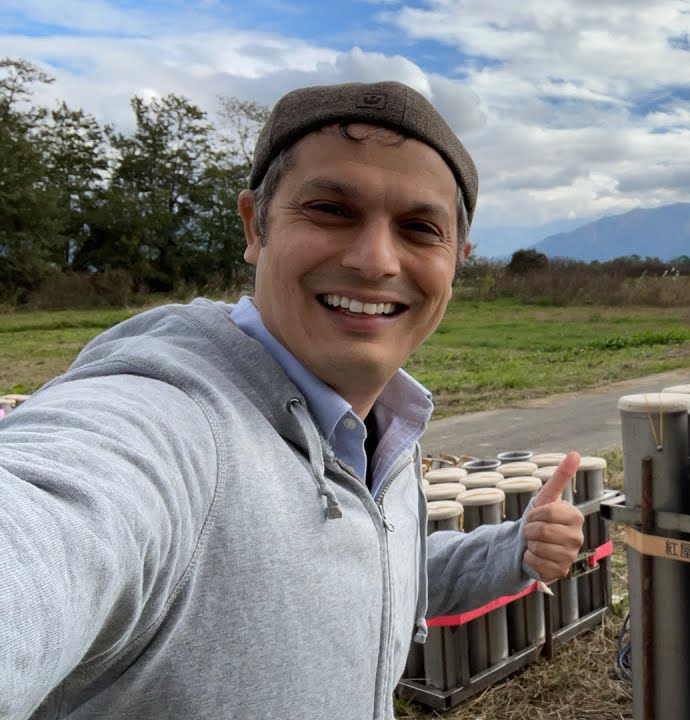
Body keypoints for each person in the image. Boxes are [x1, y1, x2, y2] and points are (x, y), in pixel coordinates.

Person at [0, 81, 586, 719]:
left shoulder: (379, 426)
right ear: (256, 226)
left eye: (420, 228)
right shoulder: (166, 427)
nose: (375, 260)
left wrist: (511, 550)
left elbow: (366, 569)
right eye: (331, 210)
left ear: (456, 262)